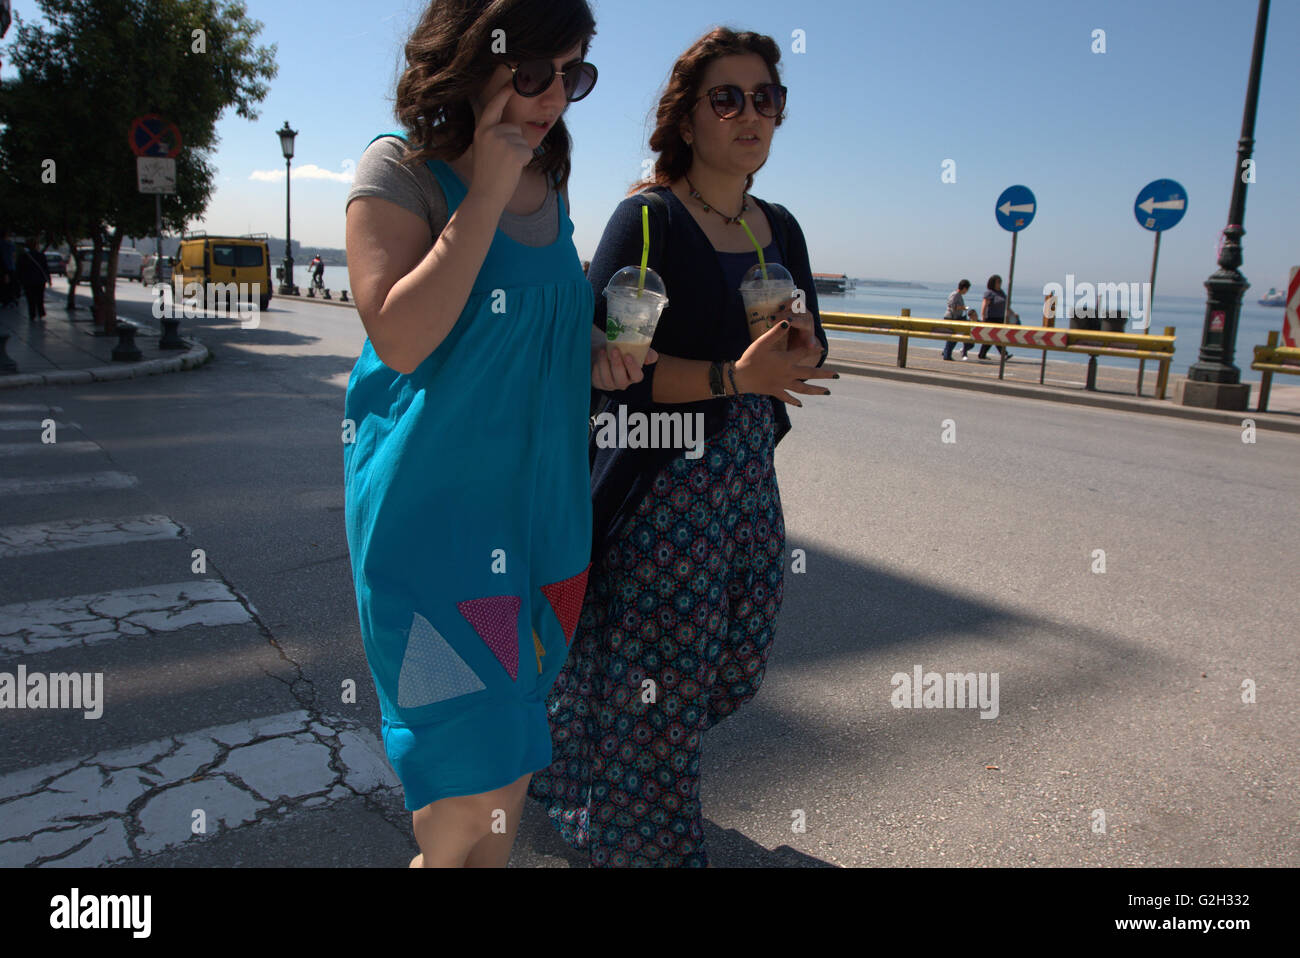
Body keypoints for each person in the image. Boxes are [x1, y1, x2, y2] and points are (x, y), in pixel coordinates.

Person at [526, 26, 834, 868]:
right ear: (687, 119)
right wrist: (737, 377)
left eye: (765, 98)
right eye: (726, 98)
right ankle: (649, 842)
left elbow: (808, 344)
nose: (750, 114)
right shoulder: (649, 223)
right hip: (659, 481)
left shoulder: (781, 229)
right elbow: (611, 378)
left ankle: (585, 753)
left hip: (745, 476)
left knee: (734, 658)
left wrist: (799, 352)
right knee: (660, 688)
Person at [342, 0, 612, 868]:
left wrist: (597, 348)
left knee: (501, 805)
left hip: (542, 527)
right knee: (463, 811)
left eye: (574, 74)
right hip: (440, 533)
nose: (555, 97)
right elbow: (403, 335)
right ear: (473, 55)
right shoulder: (401, 168)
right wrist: (487, 189)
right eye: (535, 72)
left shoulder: (553, 175)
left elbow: (532, 322)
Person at [962, 274, 1012, 361]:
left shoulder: (1002, 293)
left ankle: (982, 354)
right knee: (996, 337)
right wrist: (983, 317)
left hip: (1000, 318)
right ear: (993, 283)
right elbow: (984, 305)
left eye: (1000, 282)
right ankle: (1004, 354)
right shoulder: (989, 293)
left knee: (991, 338)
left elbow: (1006, 306)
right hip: (991, 318)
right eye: (998, 282)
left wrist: (1012, 314)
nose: (1000, 284)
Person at [17, 239, 49, 322]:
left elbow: (19, 269)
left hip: (28, 280)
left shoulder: (23, 256)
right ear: (36, 245)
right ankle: (41, 312)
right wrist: (48, 279)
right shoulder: (41, 255)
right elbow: (45, 268)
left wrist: (20, 280)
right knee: (40, 297)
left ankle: (32, 314)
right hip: (40, 280)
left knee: (30, 298)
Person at [941, 278, 972, 360]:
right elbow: (952, 306)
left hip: (955, 318)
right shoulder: (955, 294)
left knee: (953, 337)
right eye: (967, 289)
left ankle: (946, 352)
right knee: (952, 338)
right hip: (951, 318)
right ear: (964, 288)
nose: (967, 291)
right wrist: (963, 307)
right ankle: (947, 354)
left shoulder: (959, 295)